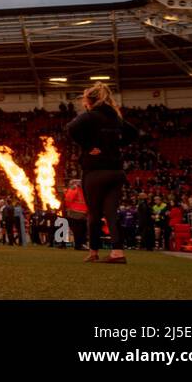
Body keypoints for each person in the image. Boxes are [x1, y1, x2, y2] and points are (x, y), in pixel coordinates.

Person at [66, 83, 138, 264]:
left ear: (89, 101)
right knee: (111, 213)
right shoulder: (115, 116)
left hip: (95, 171)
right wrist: (116, 146)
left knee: (94, 214)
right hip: (116, 170)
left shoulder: (90, 116)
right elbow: (134, 133)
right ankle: (117, 252)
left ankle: (93, 252)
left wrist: (89, 147)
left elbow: (71, 128)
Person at [63, 178, 88, 250]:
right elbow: (68, 199)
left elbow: (68, 200)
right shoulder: (75, 189)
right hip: (76, 214)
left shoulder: (80, 190)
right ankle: (79, 245)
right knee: (79, 230)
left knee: (81, 230)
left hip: (80, 214)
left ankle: (81, 244)